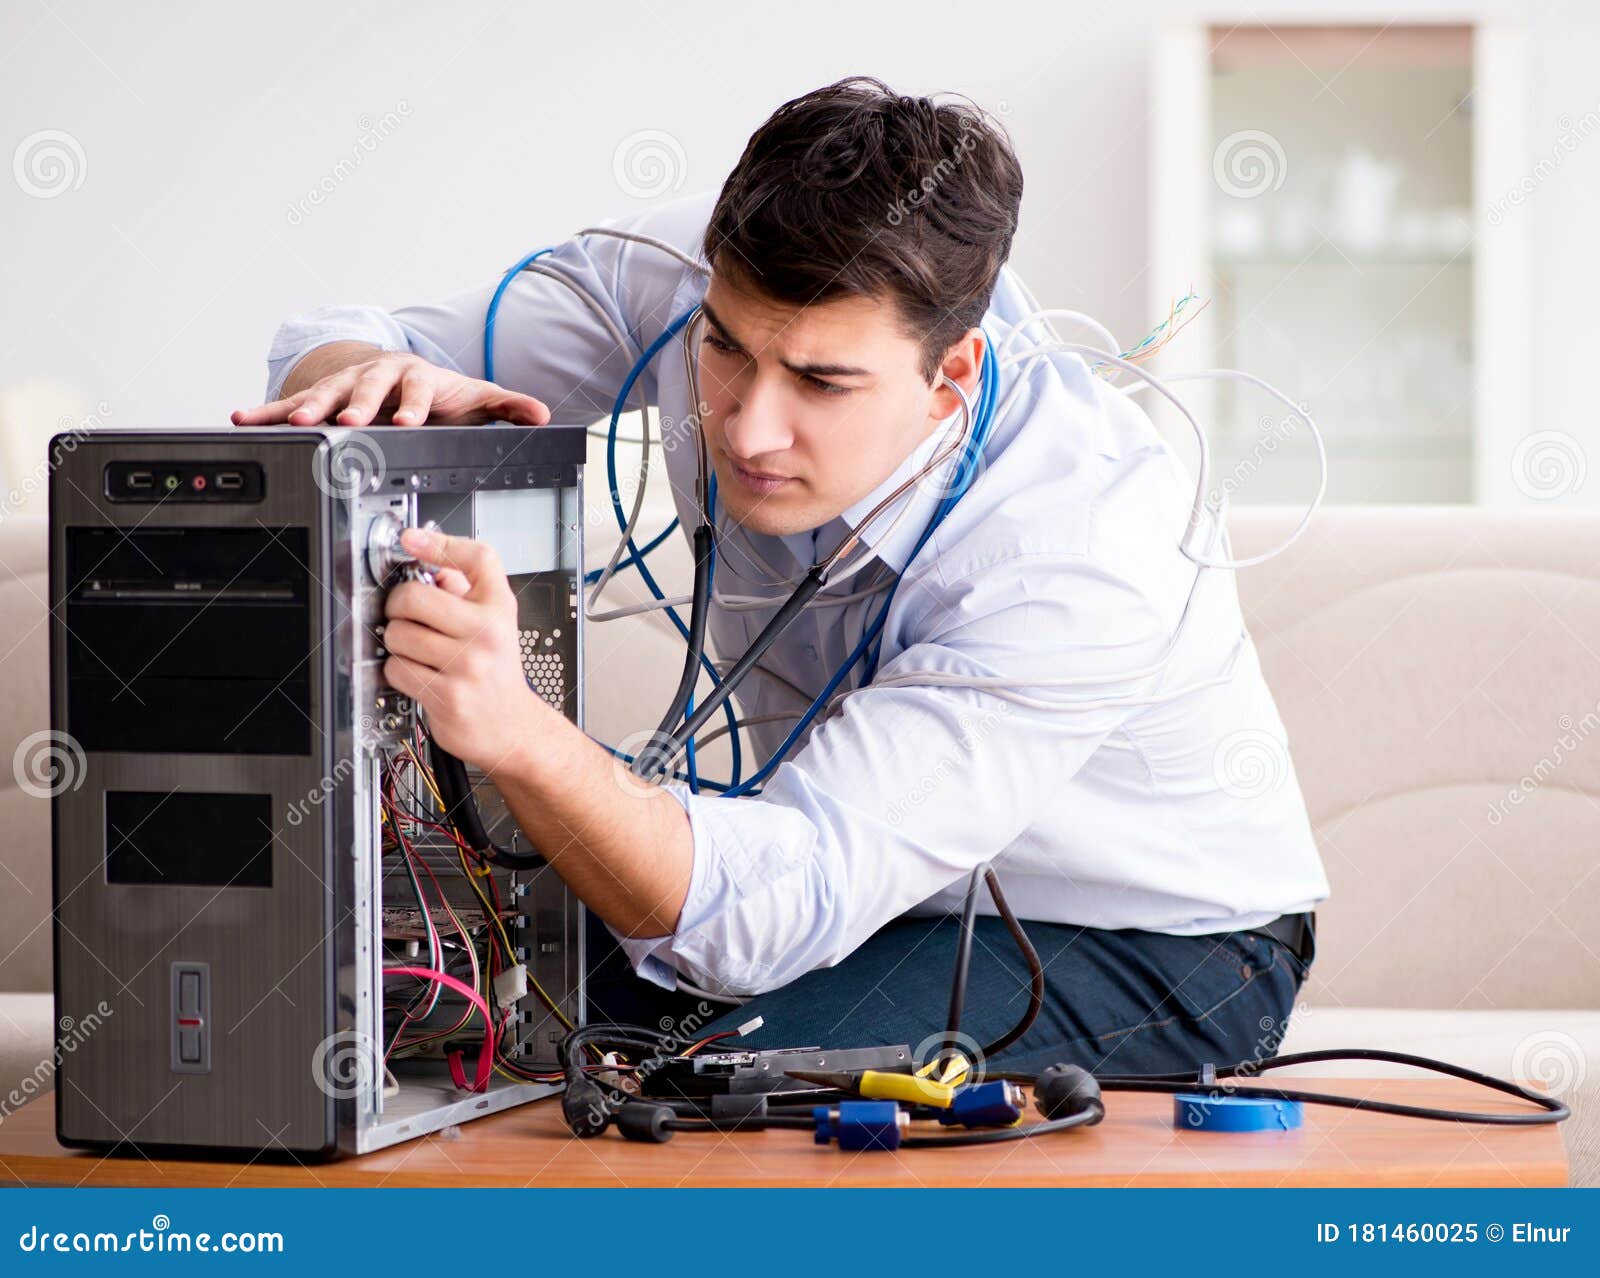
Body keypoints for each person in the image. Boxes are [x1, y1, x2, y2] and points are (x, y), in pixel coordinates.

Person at [235, 77, 1327, 1074]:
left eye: (820, 381)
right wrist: (369, 392)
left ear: (952, 373)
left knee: (670, 1070)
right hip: (858, 889)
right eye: (726, 350)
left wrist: (515, 730)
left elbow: (765, 912)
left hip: (1151, 941)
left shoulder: (1073, 550)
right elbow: (341, 338)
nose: (749, 429)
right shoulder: (670, 278)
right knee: (441, 1012)